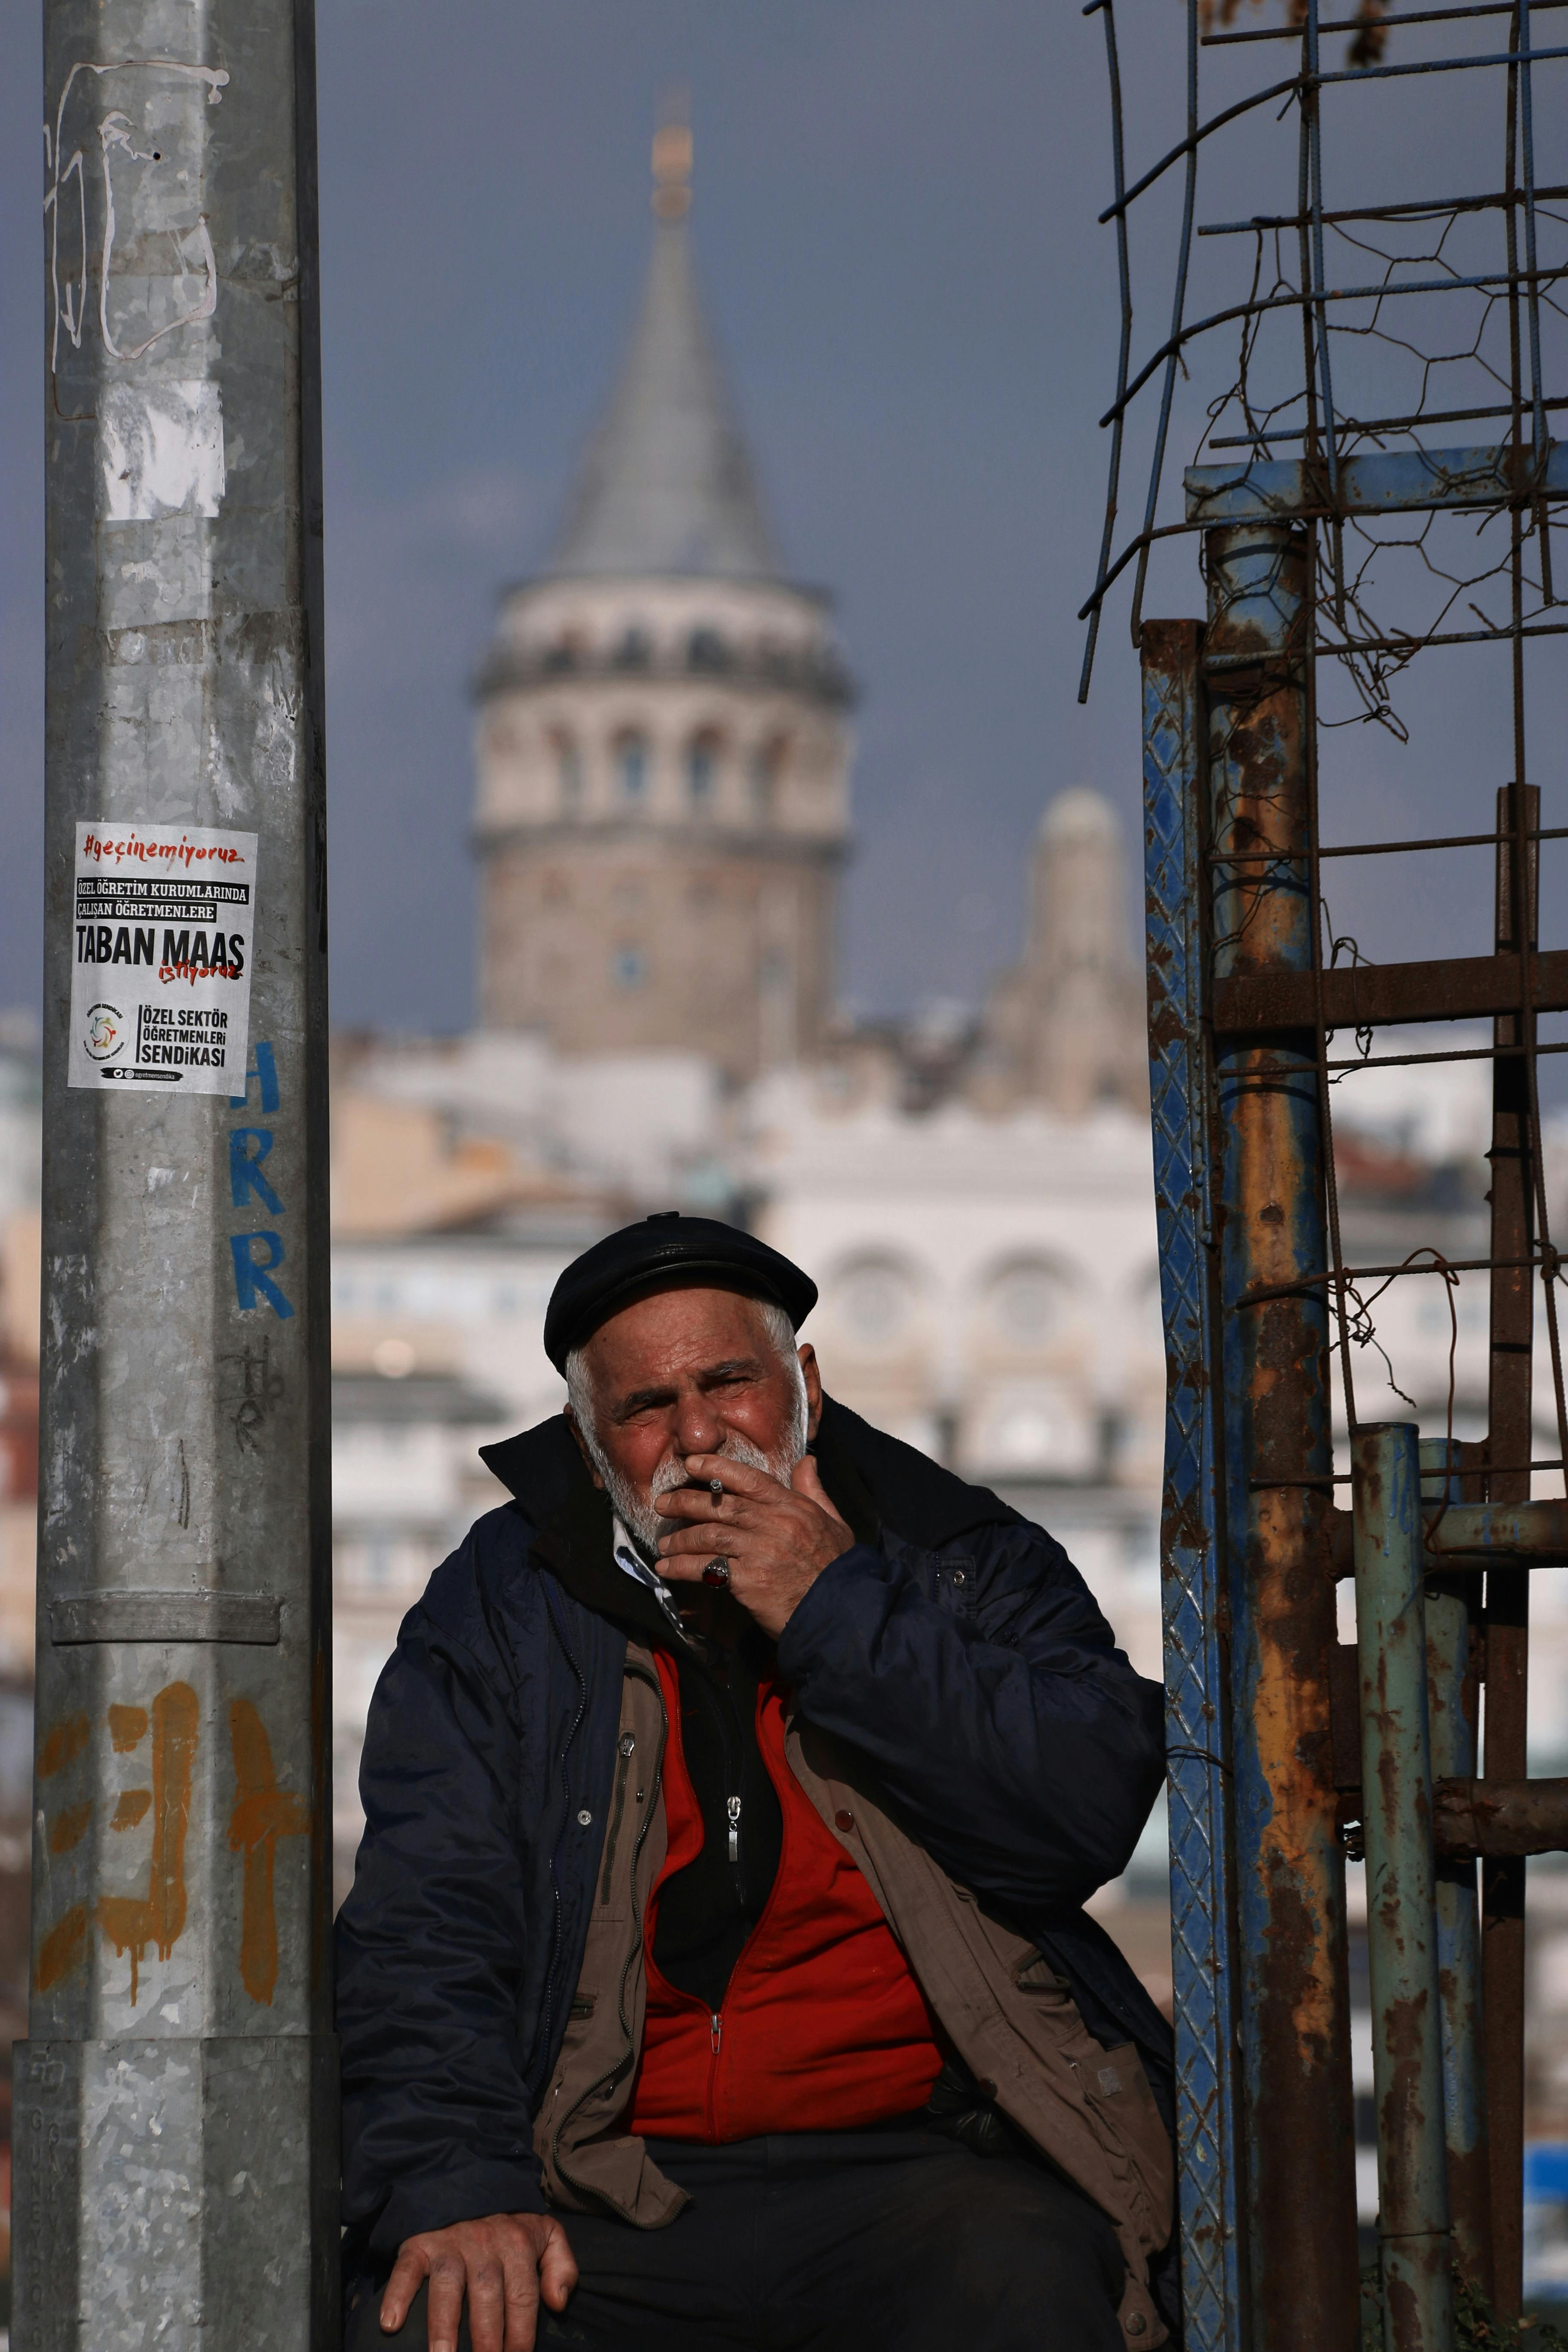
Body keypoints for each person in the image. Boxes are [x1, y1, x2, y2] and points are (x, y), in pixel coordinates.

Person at [337, 1214, 1175, 2352]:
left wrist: (835, 1610)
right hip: (604, 2172)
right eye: (643, 1409)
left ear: (805, 1388)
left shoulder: (958, 1556)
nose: (697, 1435)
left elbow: (1082, 1811)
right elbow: (424, 1917)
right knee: (432, 2320)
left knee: (1027, 2285)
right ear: (591, 1446)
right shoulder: (502, 1606)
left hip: (922, 2160)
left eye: (731, 1383)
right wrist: (459, 2184)